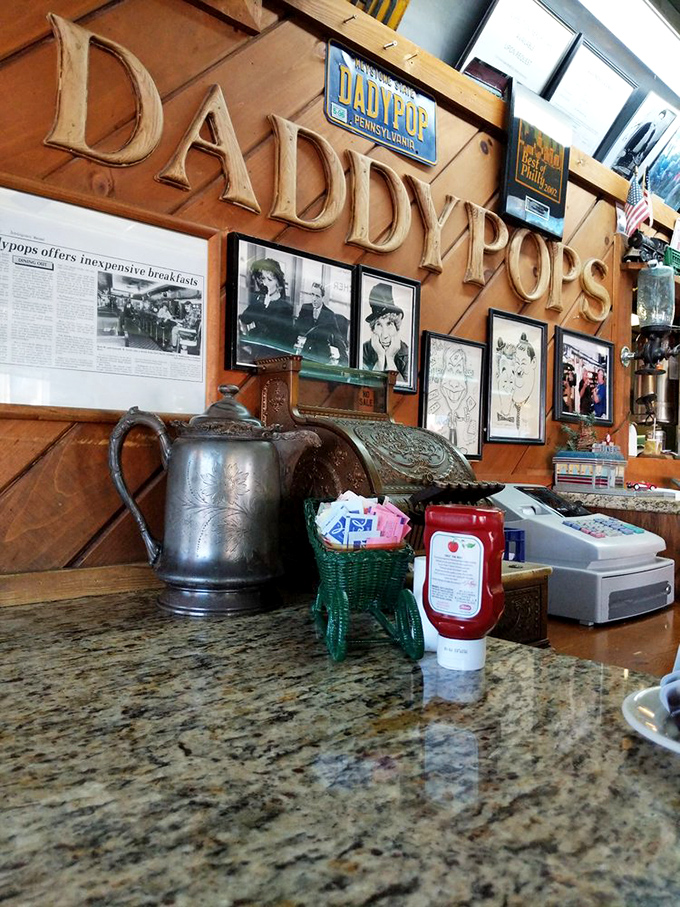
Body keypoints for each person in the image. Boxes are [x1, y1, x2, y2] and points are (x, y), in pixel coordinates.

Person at [239, 258, 294, 360]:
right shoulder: (259, 301)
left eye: (270, 280)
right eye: (263, 279)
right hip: (255, 354)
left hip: (273, 358)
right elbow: (243, 319)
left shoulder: (286, 308)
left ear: (278, 281)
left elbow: (285, 339)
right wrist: (247, 341)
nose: (265, 283)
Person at [361, 282, 409, 382]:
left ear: (397, 326)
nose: (385, 335)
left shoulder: (407, 354)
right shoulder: (364, 351)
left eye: (389, 324)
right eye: (379, 325)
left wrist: (390, 359)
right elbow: (365, 386)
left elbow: (401, 389)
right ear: (373, 329)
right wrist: (380, 357)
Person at [294, 282, 348, 364]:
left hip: (322, 355)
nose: (314, 299)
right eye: (312, 294)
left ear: (322, 297)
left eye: (317, 296)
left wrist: (345, 359)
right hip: (306, 352)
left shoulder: (329, 314)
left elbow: (337, 337)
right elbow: (296, 328)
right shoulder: (305, 308)